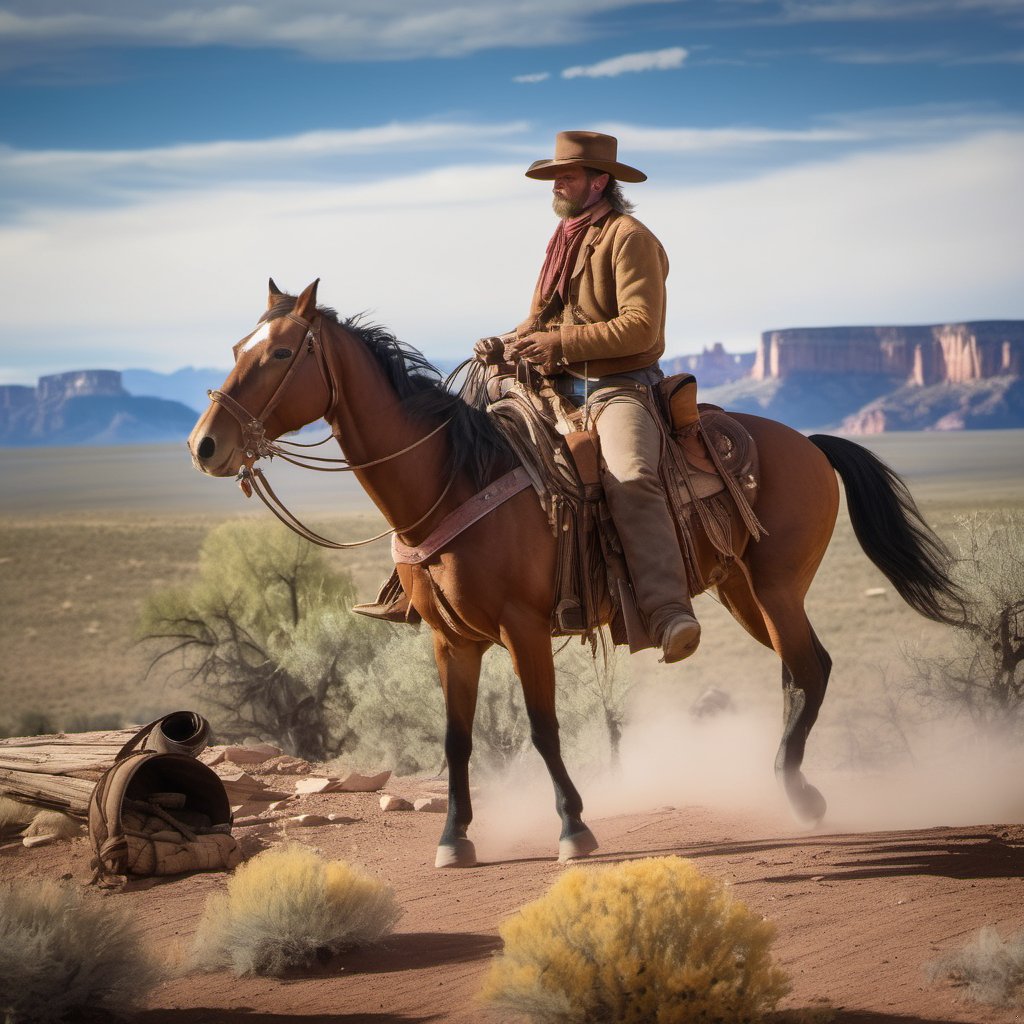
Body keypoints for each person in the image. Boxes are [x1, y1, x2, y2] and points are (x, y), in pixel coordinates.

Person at [357, 130, 700, 664]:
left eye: (566, 176)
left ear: (599, 181)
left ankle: (667, 610)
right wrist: (509, 341)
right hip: (552, 387)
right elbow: (543, 319)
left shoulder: (630, 238)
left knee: (631, 477)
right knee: (456, 440)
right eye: (554, 176)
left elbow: (641, 329)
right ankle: (417, 586)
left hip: (617, 389)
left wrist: (556, 344)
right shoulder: (565, 237)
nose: (556, 185)